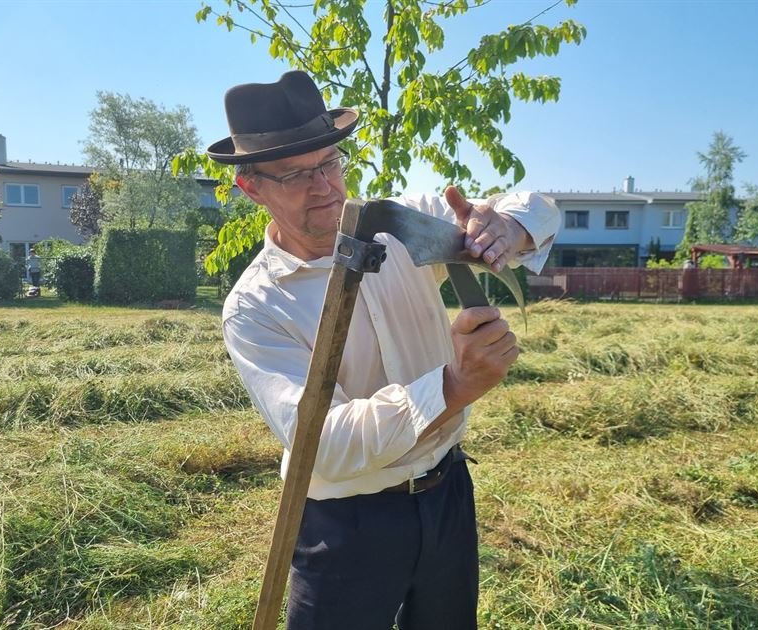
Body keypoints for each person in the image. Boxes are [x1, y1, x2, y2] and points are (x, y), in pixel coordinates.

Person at [209, 71, 560, 630]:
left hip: (446, 492)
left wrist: (506, 229)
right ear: (251, 188)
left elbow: (537, 206)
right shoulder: (256, 307)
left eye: (330, 163)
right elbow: (323, 445)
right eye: (296, 175)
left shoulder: (400, 226)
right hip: (345, 523)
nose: (324, 187)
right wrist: (452, 387)